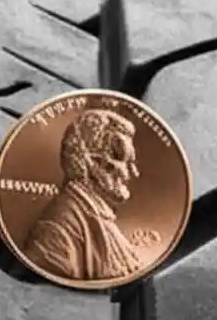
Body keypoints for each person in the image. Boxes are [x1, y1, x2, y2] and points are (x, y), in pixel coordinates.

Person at [24, 109, 145, 281]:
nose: (132, 173)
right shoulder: (56, 230)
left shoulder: (101, 217)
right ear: (88, 161)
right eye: (120, 158)